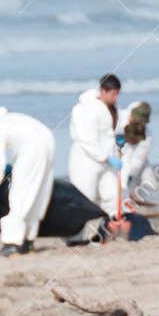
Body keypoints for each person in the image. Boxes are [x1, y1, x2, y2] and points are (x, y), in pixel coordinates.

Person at [0, 105, 56, 257]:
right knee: (37, 195)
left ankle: (12, 244)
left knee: (18, 196)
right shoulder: (8, 118)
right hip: (48, 141)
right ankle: (28, 241)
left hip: (31, 149)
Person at [68, 74, 123, 214]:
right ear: (103, 91)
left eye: (118, 94)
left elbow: (111, 131)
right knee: (86, 197)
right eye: (113, 94)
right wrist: (105, 156)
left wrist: (118, 145)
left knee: (113, 196)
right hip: (86, 160)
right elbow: (86, 139)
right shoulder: (85, 108)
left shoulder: (112, 106)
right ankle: (77, 235)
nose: (116, 98)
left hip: (108, 160)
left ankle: (108, 230)